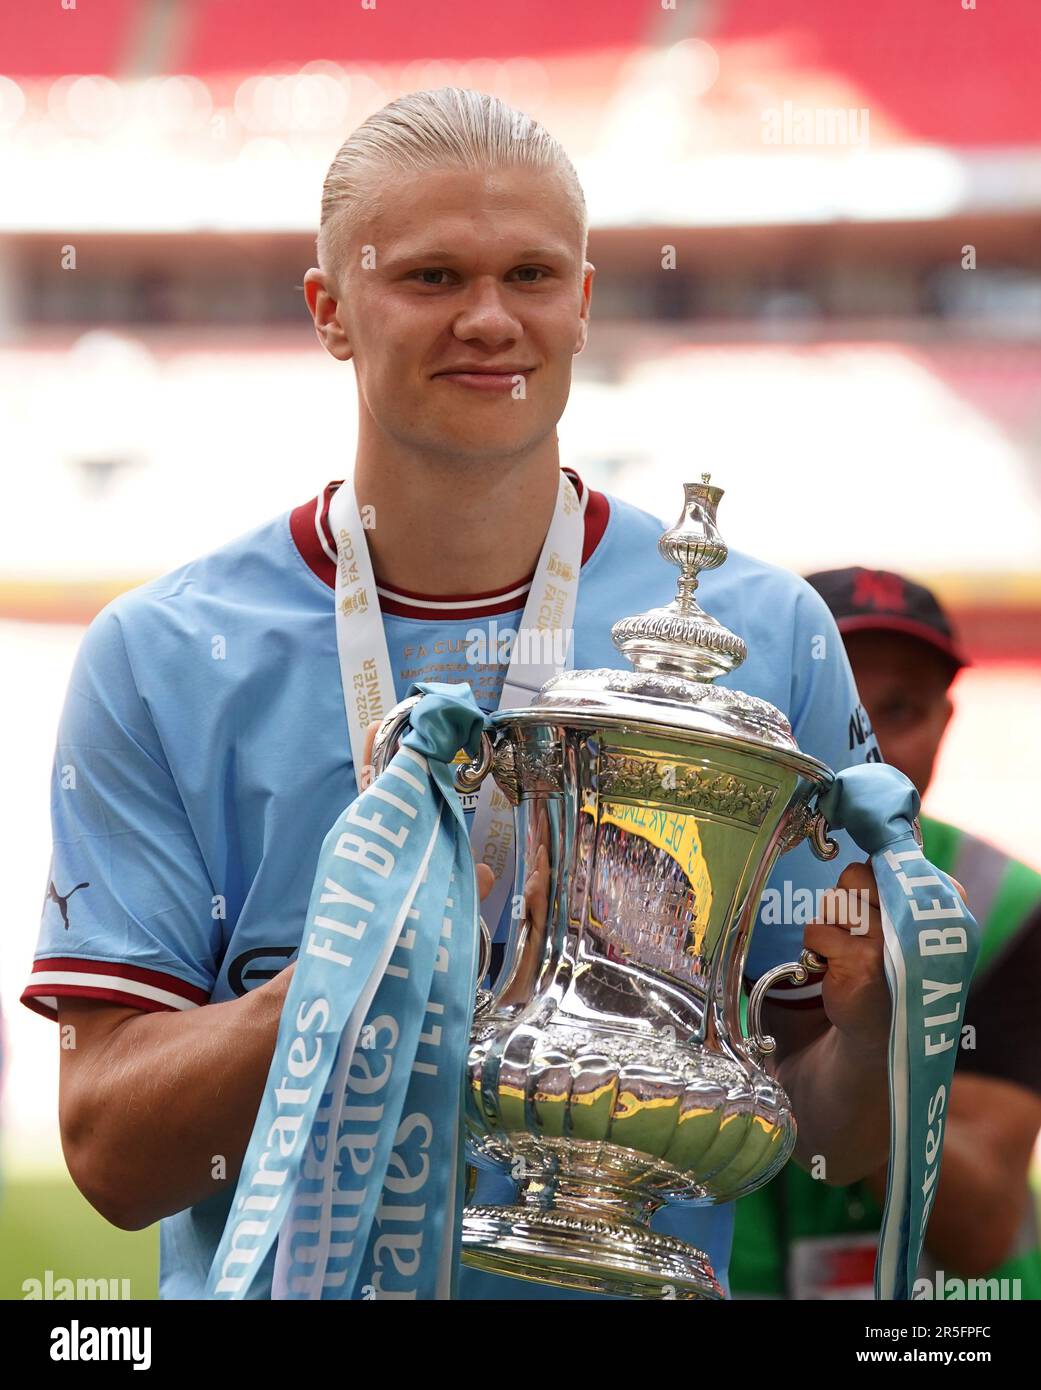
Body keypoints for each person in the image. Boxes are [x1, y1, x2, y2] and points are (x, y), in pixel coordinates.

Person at [26, 89, 905, 1301]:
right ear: (330, 310)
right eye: (432, 276)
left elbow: (830, 1134)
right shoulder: (163, 652)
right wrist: (341, 973)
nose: (490, 320)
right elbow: (115, 1159)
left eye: (531, 274)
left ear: (584, 302)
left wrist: (874, 1029)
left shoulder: (761, 637)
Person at [730, 567, 1041, 1300]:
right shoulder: (691, 878)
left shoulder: (1006, 903)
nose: (863, 758)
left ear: (945, 722)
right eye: (839, 715)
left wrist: (872, 1042)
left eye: (896, 712)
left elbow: (980, 1229)